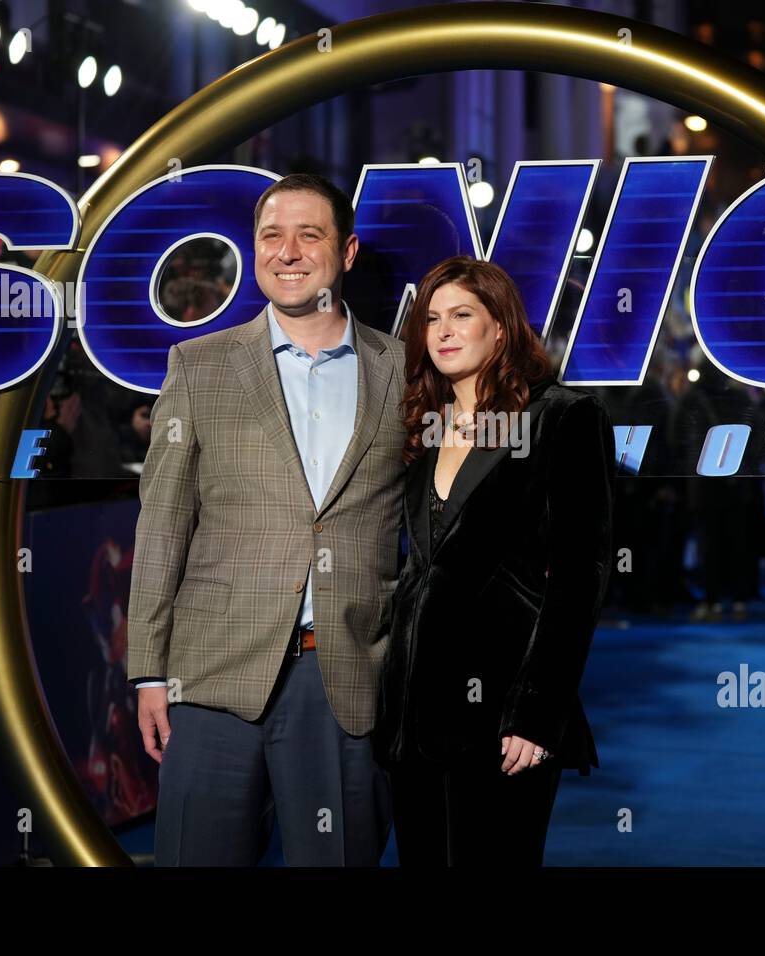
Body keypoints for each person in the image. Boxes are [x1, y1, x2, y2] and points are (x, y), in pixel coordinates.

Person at [126, 173, 407, 866]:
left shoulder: (403, 370)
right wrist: (148, 673)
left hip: (343, 678)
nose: (287, 251)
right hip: (210, 677)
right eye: (270, 236)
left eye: (309, 235)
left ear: (346, 252)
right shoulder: (199, 366)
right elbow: (162, 526)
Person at [373, 255, 615, 866]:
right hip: (414, 714)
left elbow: (580, 581)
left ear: (501, 327)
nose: (444, 332)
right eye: (432, 319)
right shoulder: (422, 424)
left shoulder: (561, 416)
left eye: (462, 315)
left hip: (507, 714)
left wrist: (538, 713)